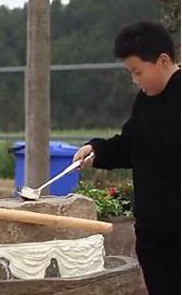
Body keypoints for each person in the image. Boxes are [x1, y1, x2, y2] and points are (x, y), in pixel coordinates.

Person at [73, 21, 180, 295]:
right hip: (153, 232)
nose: (135, 80)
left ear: (163, 60)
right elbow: (131, 145)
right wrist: (96, 151)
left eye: (138, 71)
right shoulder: (145, 100)